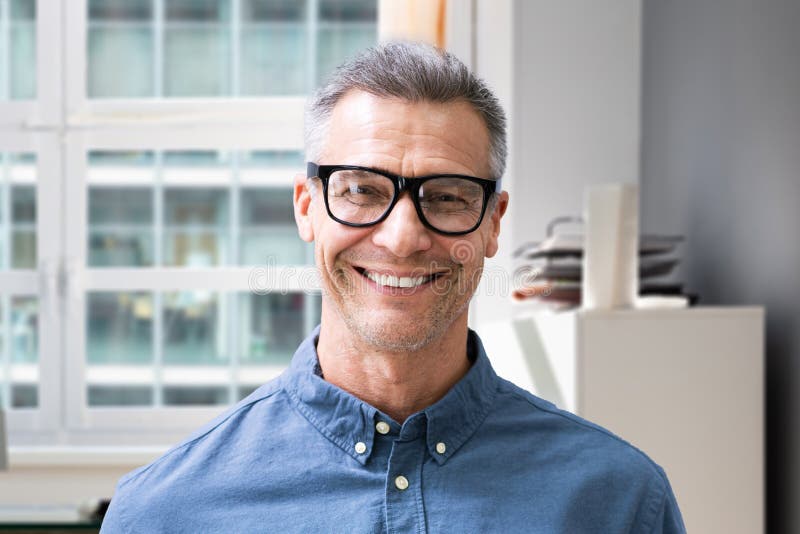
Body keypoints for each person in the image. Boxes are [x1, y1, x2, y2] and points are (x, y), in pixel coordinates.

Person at [100, 41, 686, 533]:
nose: (403, 238)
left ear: (493, 224)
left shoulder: (620, 502)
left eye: (449, 196)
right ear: (307, 208)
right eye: (361, 191)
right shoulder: (162, 514)